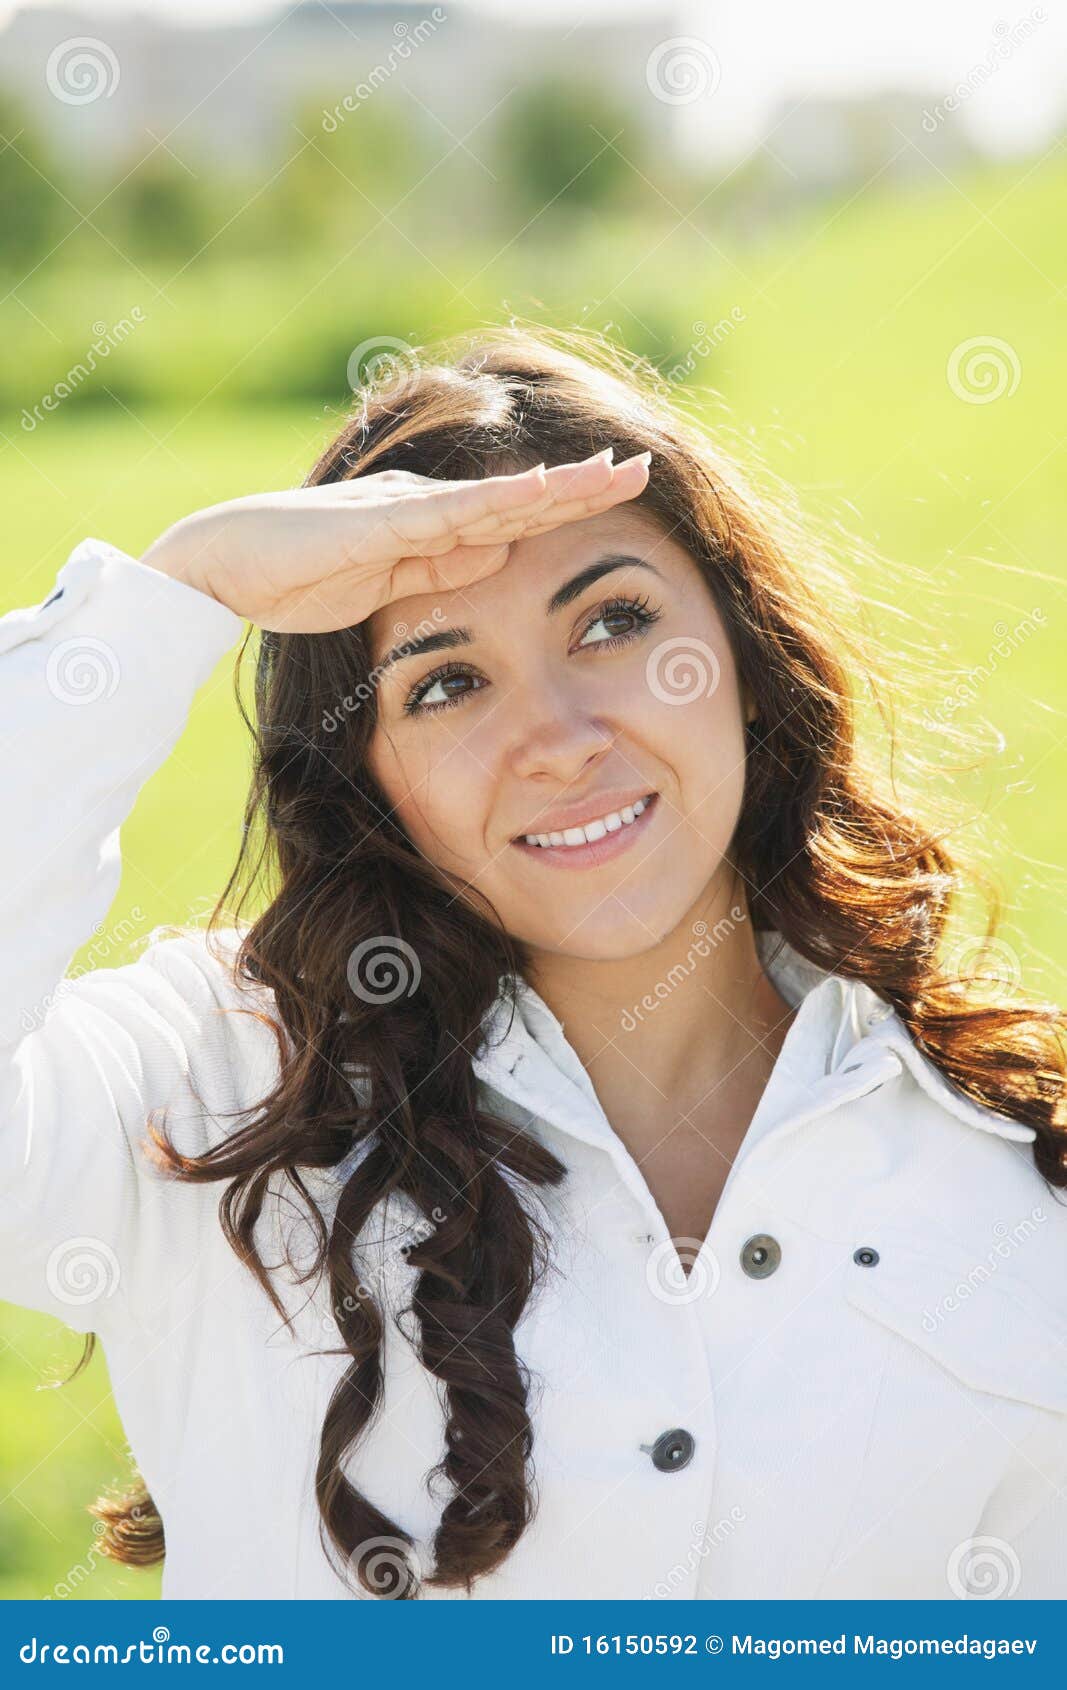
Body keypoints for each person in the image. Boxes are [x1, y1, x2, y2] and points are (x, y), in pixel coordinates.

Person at [2, 327, 1065, 1602]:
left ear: (742, 657)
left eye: (612, 622)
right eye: (446, 685)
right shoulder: (203, 1091)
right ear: (368, 779)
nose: (556, 739)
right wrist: (183, 590)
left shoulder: (1012, 1174)